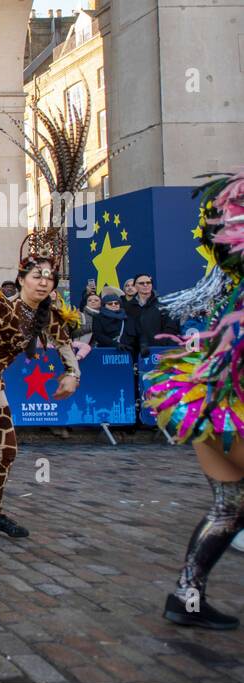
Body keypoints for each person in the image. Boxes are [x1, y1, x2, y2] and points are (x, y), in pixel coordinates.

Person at [144, 168, 244, 629]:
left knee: (231, 506)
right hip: (229, 408)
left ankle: (187, 596)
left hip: (210, 406)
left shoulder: (230, 291)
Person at [0, 248, 81, 550]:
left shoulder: (47, 315)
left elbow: (65, 345)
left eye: (50, 278)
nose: (44, 283)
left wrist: (73, 373)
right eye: (37, 276)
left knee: (7, 450)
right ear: (21, 279)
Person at [123, 273, 178, 356]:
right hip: (135, 353)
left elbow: (171, 329)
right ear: (135, 286)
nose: (145, 285)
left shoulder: (162, 305)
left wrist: (161, 345)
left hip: (159, 351)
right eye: (141, 283)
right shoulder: (127, 307)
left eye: (148, 283)